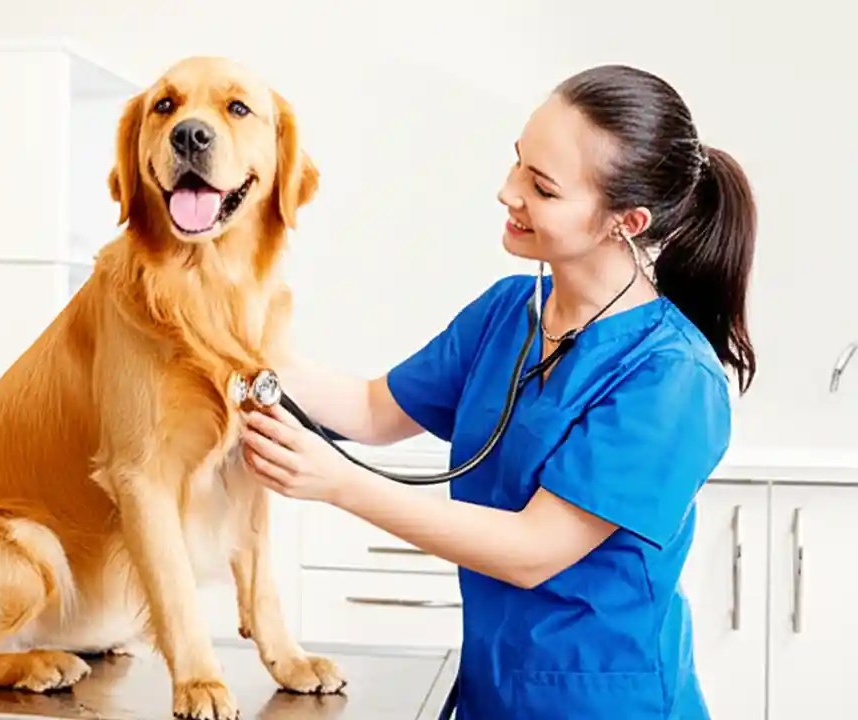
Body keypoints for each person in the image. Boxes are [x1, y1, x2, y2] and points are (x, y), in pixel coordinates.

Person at [240, 64, 756, 719]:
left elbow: (533, 551)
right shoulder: (509, 311)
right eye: (518, 162)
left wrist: (337, 483)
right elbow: (373, 410)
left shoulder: (673, 376)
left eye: (542, 186)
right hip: (493, 695)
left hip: (605, 705)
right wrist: (236, 350)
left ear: (625, 222)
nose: (507, 191)